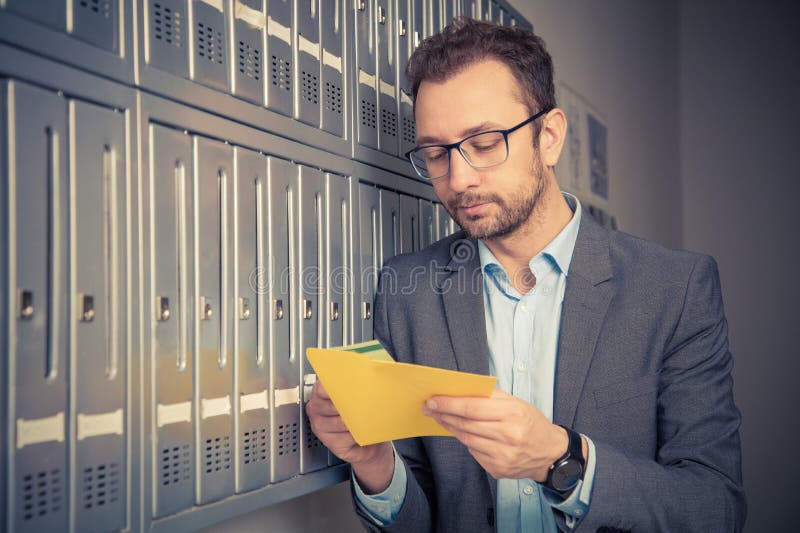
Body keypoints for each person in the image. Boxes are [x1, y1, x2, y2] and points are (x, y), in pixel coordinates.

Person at [306, 17, 745, 532]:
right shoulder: (408, 293)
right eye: (436, 152)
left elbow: (716, 507)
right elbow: (421, 520)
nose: (459, 178)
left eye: (485, 142)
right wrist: (375, 465)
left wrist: (561, 460)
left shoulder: (674, 288)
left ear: (550, 137)